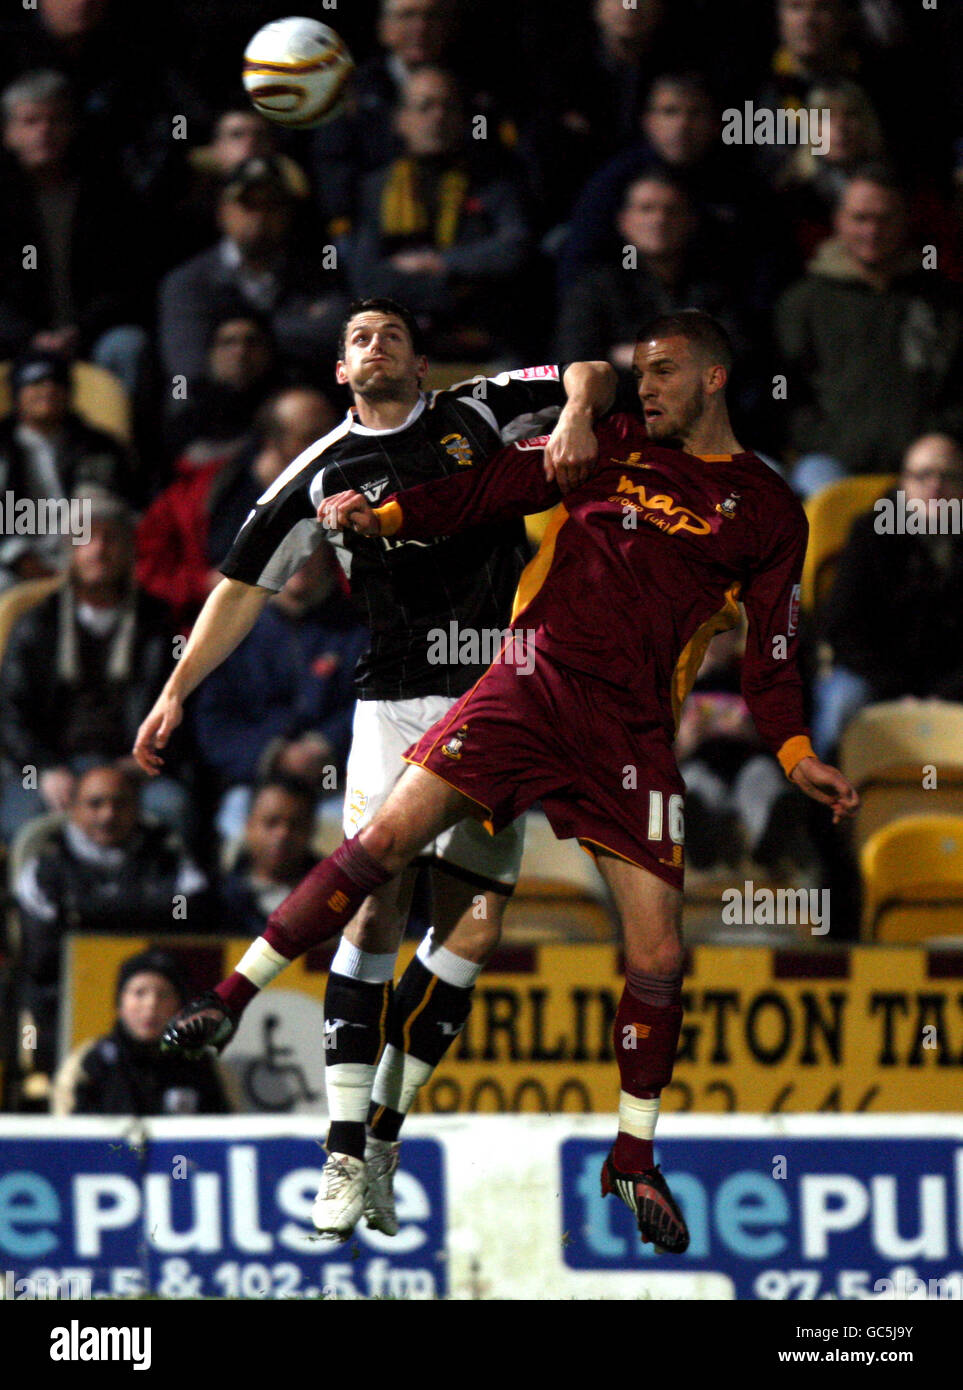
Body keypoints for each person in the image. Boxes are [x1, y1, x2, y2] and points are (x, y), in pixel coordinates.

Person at [160, 310, 858, 1252]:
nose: (641, 386)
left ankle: (626, 1156)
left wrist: (792, 751)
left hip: (628, 730)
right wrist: (386, 518)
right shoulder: (583, 446)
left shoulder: (765, 508)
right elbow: (483, 493)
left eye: (662, 373)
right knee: (376, 866)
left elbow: (773, 652)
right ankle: (236, 1008)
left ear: (714, 379)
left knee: (643, 954)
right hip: (516, 682)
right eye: (639, 372)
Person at [133, 295, 615, 1238]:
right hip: (393, 701)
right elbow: (239, 590)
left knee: (473, 931)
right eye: (357, 338)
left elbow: (594, 369)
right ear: (340, 375)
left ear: (419, 361)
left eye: (392, 332)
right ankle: (343, 1153)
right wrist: (176, 690)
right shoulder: (318, 473)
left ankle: (383, 1138)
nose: (375, 342)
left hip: (497, 696)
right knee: (376, 902)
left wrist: (572, 414)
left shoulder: (479, 409)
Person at [0, 490, 186, 841]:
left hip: (132, 767)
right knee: (19, 825)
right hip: (57, 767)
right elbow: (11, 714)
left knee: (173, 812)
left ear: (129, 549)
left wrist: (148, 756)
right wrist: (46, 768)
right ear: (70, 549)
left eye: (110, 537)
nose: (98, 549)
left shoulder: (157, 623)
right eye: (86, 537)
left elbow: (179, 704)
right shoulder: (36, 624)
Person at [775, 166, 963, 495]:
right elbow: (785, 389)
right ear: (839, 220)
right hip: (833, 464)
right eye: (860, 218)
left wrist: (939, 436)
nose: (872, 230)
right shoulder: (803, 302)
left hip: (930, 464)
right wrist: (824, 441)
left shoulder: (942, 300)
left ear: (905, 220)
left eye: (885, 218)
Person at [15, 766, 210, 1072]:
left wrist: (84, 918)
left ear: (137, 808)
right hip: (65, 1004)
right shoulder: (46, 868)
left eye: (120, 804)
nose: (108, 815)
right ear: (73, 808)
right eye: (95, 804)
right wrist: (143, 916)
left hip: (157, 1006)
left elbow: (189, 928)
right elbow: (43, 957)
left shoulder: (169, 860)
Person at [348, 67, 533, 361]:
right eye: (424, 107)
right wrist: (456, 285)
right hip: (402, 339)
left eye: (447, 106)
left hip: (485, 335)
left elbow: (515, 250)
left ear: (462, 118)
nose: (437, 117)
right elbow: (367, 279)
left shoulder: (493, 181)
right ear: (401, 120)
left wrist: (437, 263)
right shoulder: (376, 188)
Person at [812, 433, 963, 760]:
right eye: (923, 475)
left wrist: (941, 693)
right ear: (903, 483)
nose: (935, 486)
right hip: (873, 678)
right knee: (842, 701)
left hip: (949, 683)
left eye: (948, 476)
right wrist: (900, 691)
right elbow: (842, 628)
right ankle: (816, 802)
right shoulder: (868, 535)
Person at [157, 154, 347, 385]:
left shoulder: (318, 273)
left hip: (294, 397)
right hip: (212, 406)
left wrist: (244, 343)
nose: (260, 216)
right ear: (222, 211)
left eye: (272, 204)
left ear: (288, 213)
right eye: (248, 203)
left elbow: (335, 341)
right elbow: (188, 366)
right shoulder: (188, 282)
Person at [0, 350, 133, 589]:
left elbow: (126, 506)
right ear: (17, 393)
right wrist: (19, 559)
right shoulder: (3, 447)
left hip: (95, 556)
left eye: (57, 383)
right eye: (36, 383)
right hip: (14, 563)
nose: (48, 390)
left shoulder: (100, 446)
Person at [51, 948, 231, 1115]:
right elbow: (67, 1135)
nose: (151, 1005)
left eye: (163, 995)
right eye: (139, 993)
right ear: (120, 1003)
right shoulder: (90, 1062)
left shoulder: (202, 1065)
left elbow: (227, 1134)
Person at [217, 777, 321, 937]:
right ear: (249, 826)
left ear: (311, 829)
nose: (283, 834)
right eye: (271, 823)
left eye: (295, 824)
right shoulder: (217, 901)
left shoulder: (335, 898)